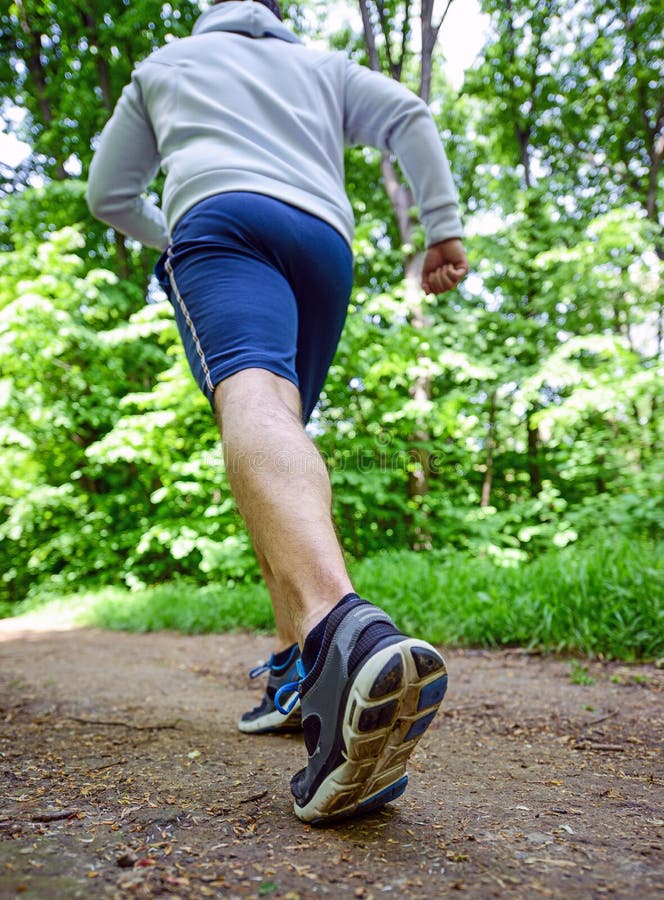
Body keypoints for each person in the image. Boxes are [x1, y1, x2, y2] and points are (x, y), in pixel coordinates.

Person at [87, 0, 469, 825]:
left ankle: (343, 635)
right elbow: (407, 112)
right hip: (323, 243)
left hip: (223, 221)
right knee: (281, 430)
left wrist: (174, 233)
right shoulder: (321, 67)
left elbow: (108, 194)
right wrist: (441, 226)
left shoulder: (167, 65)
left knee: (252, 402)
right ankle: (300, 671)